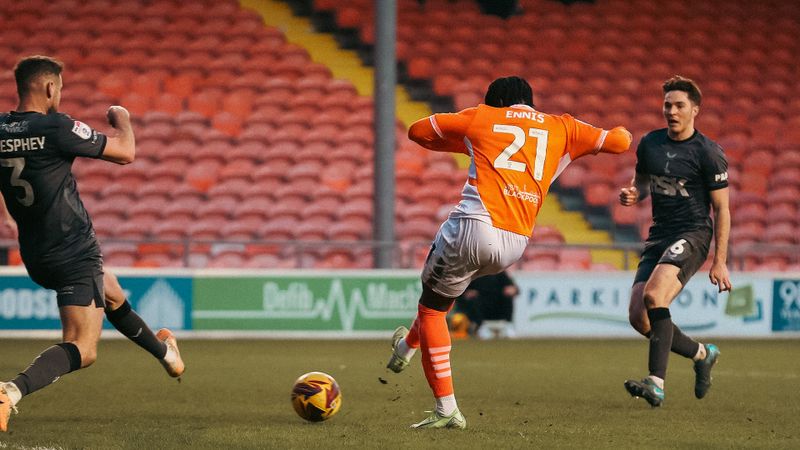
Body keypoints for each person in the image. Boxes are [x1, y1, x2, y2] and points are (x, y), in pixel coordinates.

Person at [386, 76, 632, 429]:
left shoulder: (482, 117)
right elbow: (620, 141)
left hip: (475, 225)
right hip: (514, 243)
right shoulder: (563, 127)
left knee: (431, 309)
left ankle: (446, 409)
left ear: (496, 102)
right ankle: (405, 350)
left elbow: (418, 131)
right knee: (442, 298)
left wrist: (470, 141)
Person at [0, 56, 185, 432]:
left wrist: (7, 213)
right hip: (72, 250)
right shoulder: (56, 125)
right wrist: (123, 120)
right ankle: (10, 392)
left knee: (111, 291)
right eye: (61, 87)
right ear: (50, 87)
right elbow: (125, 152)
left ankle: (168, 355)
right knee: (83, 348)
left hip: (36, 253)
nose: (61, 93)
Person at [619, 75, 731, 408]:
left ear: (695, 110)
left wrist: (720, 260)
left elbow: (722, 209)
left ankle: (656, 383)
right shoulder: (650, 143)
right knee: (639, 318)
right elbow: (641, 183)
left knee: (655, 295)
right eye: (667, 104)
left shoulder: (708, 152)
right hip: (660, 234)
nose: (672, 111)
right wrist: (633, 194)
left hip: (693, 232)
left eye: (679, 105)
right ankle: (702, 353)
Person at [455, 270, 519, 339]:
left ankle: (508, 325)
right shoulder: (471, 272)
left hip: (497, 305)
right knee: (474, 300)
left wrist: (512, 290)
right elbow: (460, 292)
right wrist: (467, 293)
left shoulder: (498, 271)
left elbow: (515, 289)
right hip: (480, 306)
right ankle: (480, 327)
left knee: (508, 297)